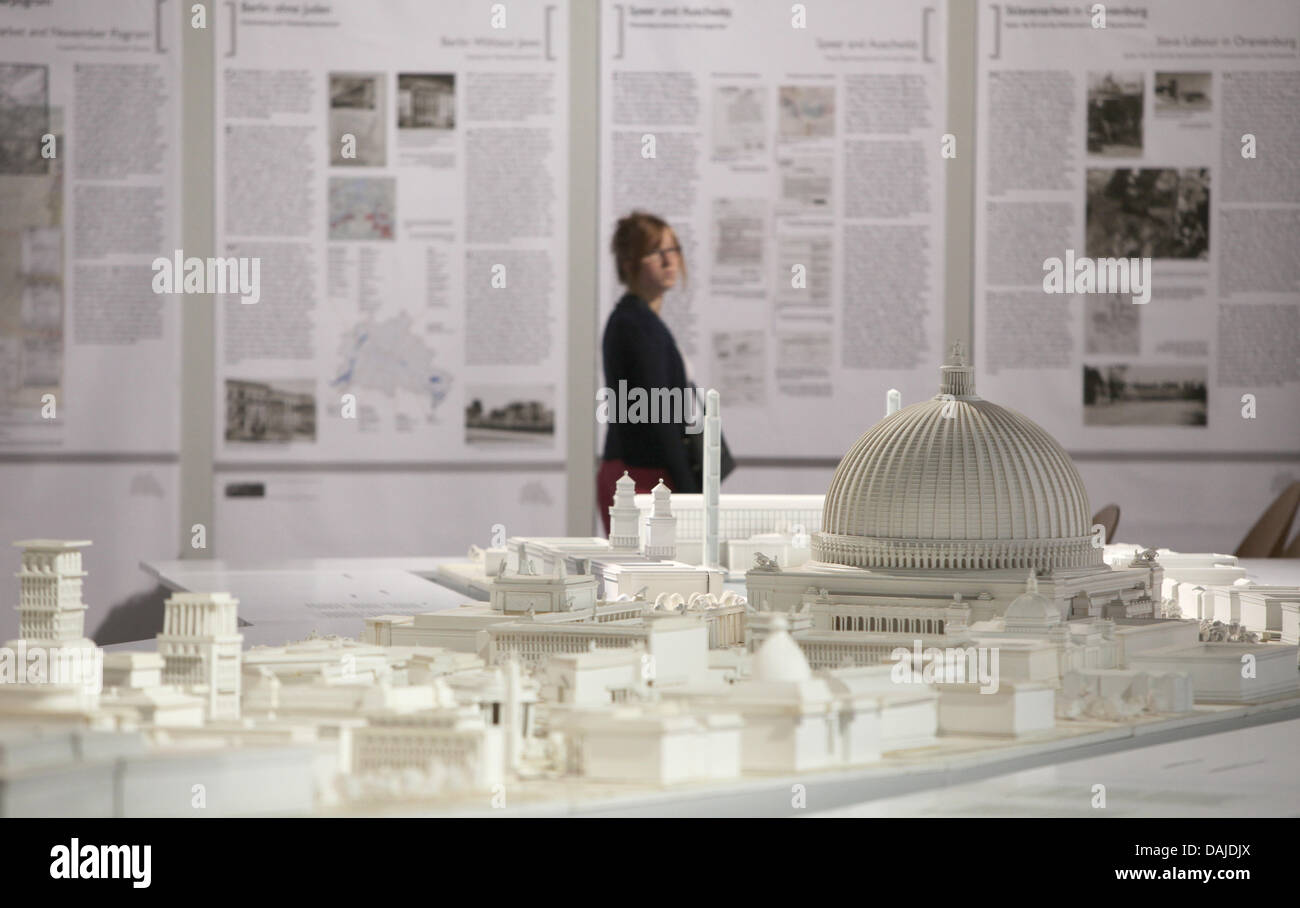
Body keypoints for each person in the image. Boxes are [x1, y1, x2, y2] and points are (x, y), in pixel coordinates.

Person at [597, 212, 699, 533]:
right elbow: (659, 414)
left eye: (674, 250)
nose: (670, 261)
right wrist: (690, 491)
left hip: (640, 475)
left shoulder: (638, 322)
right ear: (630, 263)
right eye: (657, 252)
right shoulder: (636, 325)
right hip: (641, 480)